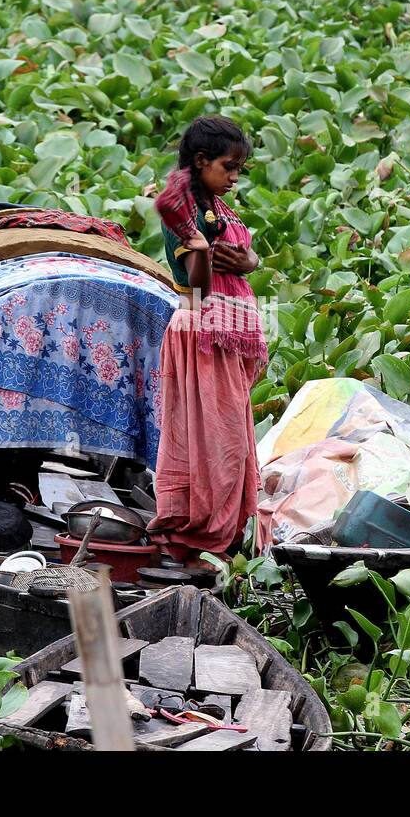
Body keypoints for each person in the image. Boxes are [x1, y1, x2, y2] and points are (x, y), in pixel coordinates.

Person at [148, 116, 268, 567]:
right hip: (203, 334)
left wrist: (248, 261)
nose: (235, 176)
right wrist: (200, 249)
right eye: (228, 166)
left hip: (229, 333)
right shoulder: (182, 213)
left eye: (240, 167)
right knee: (214, 444)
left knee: (231, 439)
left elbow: (243, 258)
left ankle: (225, 533)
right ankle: (201, 536)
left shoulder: (215, 202)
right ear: (201, 162)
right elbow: (196, 287)